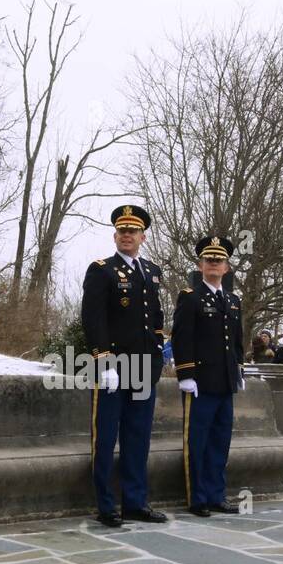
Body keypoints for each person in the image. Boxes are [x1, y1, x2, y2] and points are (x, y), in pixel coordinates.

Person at [82, 205, 166, 528]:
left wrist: (158, 351)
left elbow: (156, 317)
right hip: (113, 369)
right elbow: (92, 317)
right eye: (122, 231)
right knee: (105, 437)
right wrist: (103, 361)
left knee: (138, 437)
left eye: (133, 231)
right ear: (115, 235)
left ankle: (135, 502)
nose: (127, 235)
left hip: (144, 368)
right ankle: (105, 505)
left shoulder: (151, 271)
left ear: (142, 236)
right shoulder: (101, 270)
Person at [173, 236, 244, 516]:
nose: (214, 264)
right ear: (201, 264)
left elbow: (237, 340)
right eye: (209, 260)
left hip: (225, 382)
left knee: (220, 442)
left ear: (227, 267)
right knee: (198, 442)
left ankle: (217, 494)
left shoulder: (233, 300)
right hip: (200, 383)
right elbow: (181, 337)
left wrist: (238, 368)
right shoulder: (190, 297)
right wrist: (186, 374)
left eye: (219, 260)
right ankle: (197, 498)